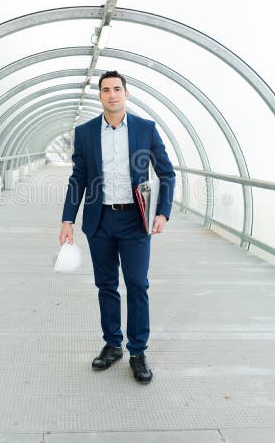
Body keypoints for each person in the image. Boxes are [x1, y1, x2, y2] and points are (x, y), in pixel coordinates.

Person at [59, 70, 175, 384]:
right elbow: (78, 179)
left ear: (126, 94)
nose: (112, 94)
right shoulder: (84, 133)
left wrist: (162, 212)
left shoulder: (145, 129)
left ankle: (137, 351)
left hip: (136, 220)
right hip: (100, 221)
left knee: (137, 284)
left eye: (117, 89)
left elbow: (167, 173)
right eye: (106, 89)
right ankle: (113, 345)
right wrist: (67, 219)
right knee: (106, 285)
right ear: (100, 96)